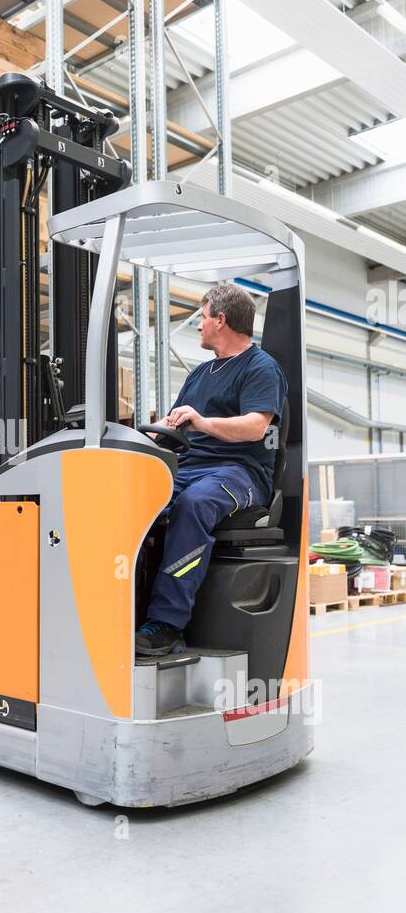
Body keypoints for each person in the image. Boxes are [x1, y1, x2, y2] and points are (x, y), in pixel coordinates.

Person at [136, 281, 287, 657]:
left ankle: (167, 625)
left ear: (221, 320)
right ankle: (121, 606)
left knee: (193, 504)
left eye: (203, 318)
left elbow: (255, 426)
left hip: (240, 473)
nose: (199, 325)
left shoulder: (260, 367)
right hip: (190, 466)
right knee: (135, 501)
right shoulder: (199, 374)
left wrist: (201, 422)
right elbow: (175, 428)